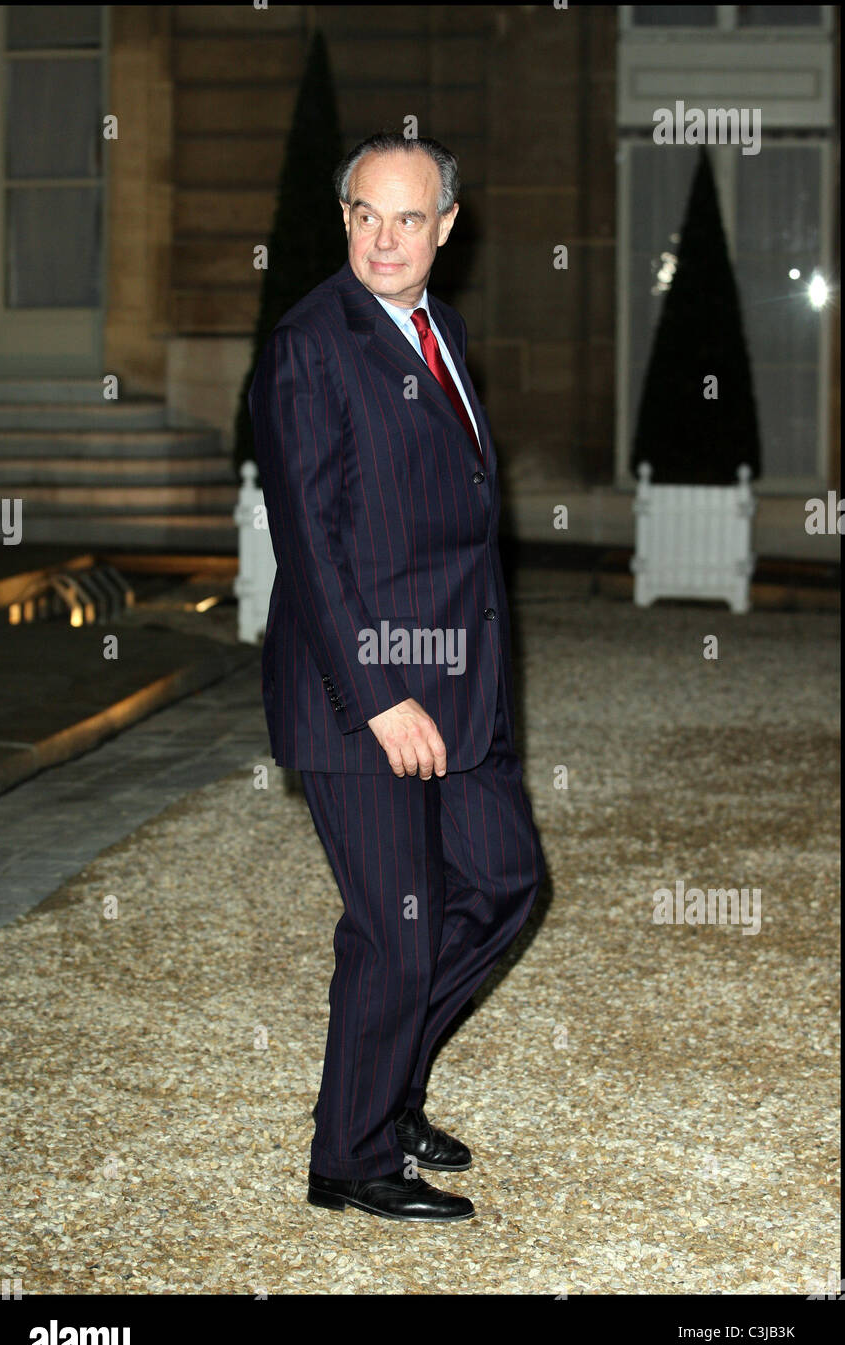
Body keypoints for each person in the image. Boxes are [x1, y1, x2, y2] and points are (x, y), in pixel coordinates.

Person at [248, 131, 545, 1223]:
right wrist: (378, 694)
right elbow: (312, 544)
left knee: (506, 883)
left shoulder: (439, 329)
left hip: (457, 679)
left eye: (407, 217)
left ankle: (386, 1087)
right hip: (355, 693)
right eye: (364, 214)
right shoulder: (308, 344)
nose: (384, 237)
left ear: (445, 228)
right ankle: (351, 1158)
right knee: (398, 927)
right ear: (343, 221)